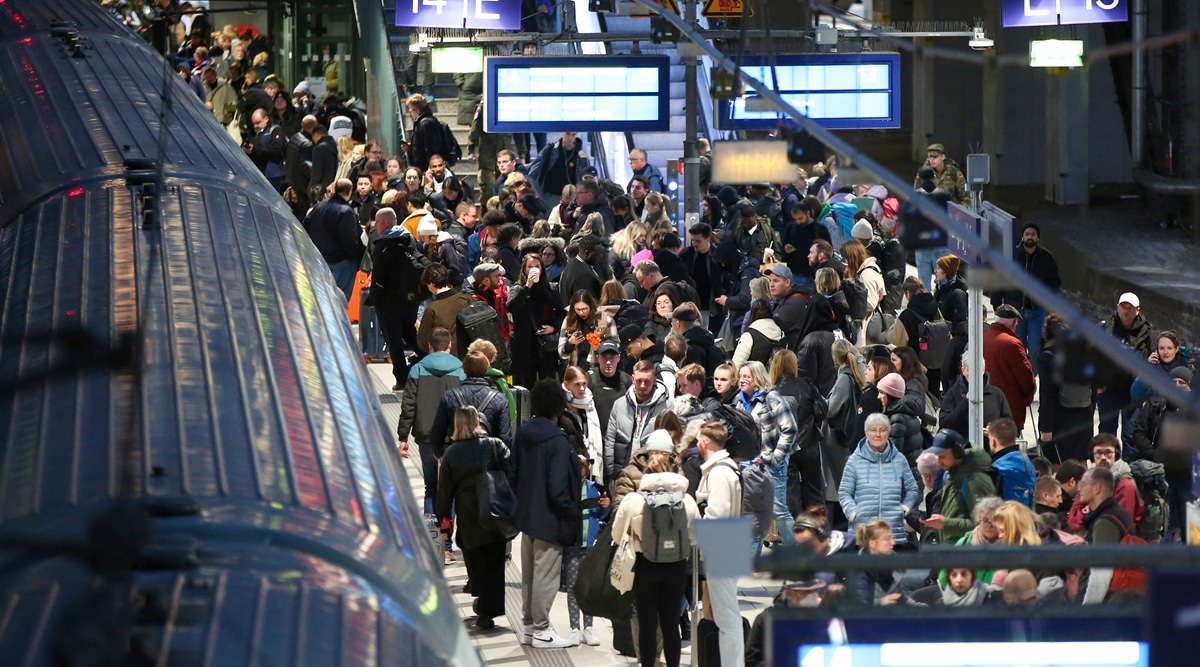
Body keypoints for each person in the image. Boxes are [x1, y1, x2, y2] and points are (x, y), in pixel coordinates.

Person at [610, 433, 699, 667]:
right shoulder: (686, 500)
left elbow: (616, 535)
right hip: (676, 567)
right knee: (671, 624)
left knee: (647, 624)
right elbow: (696, 536)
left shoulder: (634, 500)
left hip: (645, 565)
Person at [514, 380, 584, 648]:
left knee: (529, 575)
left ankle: (529, 626)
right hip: (550, 518)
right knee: (546, 575)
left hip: (527, 515)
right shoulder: (556, 440)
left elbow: (514, 471)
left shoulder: (524, 432)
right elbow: (558, 487)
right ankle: (543, 629)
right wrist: (571, 510)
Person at [435, 406, 514, 629]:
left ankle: (481, 597)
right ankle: (488, 608)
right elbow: (513, 472)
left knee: (475, 558)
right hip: (495, 511)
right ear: (478, 421)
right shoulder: (495, 445)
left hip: (468, 515)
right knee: (495, 562)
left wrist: (444, 520)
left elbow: (444, 492)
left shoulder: (451, 454)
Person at [397, 327, 465, 515]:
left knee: (431, 486)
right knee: (449, 486)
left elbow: (408, 404)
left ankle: (432, 536)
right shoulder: (460, 370)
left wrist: (403, 437)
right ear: (449, 345)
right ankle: (447, 541)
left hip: (425, 433)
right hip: (453, 435)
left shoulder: (417, 369)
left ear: (429, 346)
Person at [695, 422, 745, 667]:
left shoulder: (719, 473)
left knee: (727, 617)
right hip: (729, 543)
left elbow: (717, 514)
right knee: (727, 615)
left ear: (705, 441)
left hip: (722, 546)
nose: (696, 444)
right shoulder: (724, 469)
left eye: (697, 440)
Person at [735, 360, 799, 543]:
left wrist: (775, 457)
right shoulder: (739, 402)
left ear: (757, 378)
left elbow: (790, 429)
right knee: (754, 515)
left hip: (772, 465)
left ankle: (799, 557)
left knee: (778, 512)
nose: (742, 380)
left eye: (746, 376)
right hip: (750, 465)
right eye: (740, 376)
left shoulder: (772, 398)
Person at [1132, 366, 1196, 541]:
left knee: (1191, 525)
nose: (1176, 385)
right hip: (1160, 475)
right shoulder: (1154, 406)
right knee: (1161, 523)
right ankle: (1162, 561)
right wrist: (1153, 455)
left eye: (1181, 383)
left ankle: (1191, 563)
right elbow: (1139, 432)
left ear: (1190, 387)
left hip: (1189, 478)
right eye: (1173, 381)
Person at [838, 413, 921, 546]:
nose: (877, 435)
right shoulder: (854, 461)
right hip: (863, 532)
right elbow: (844, 492)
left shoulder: (899, 459)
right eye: (873, 430)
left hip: (893, 534)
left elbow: (912, 488)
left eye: (882, 430)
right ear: (866, 432)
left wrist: (904, 508)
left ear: (888, 433)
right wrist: (853, 513)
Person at [990, 222, 1061, 376]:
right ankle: (1018, 375)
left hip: (1037, 311)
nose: (1030, 237)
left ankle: (1031, 377)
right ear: (1022, 236)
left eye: (1033, 234)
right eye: (1027, 234)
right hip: (1016, 311)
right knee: (1017, 346)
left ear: (1038, 238)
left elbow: (1055, 282)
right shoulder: (1010, 256)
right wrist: (996, 304)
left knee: (1036, 347)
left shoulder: (1046, 258)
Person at [771, 349, 827, 516]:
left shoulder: (773, 391)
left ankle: (799, 534)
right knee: (815, 491)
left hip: (787, 447)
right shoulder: (807, 384)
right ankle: (820, 532)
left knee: (792, 494)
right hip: (809, 444)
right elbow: (822, 409)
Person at [563, 457, 610, 646]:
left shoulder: (594, 487)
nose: (581, 468)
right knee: (573, 588)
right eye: (578, 464)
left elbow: (601, 514)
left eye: (584, 465)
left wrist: (605, 507)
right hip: (573, 546)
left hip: (590, 546)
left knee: (589, 588)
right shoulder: (566, 487)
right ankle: (575, 628)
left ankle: (588, 627)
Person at [428, 352, 513, 455]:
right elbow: (505, 437)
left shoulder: (450, 396)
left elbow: (437, 433)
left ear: (464, 370)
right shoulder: (499, 399)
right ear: (486, 369)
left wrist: (440, 453)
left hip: (457, 458)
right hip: (487, 460)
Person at [1037, 314, 1096, 464]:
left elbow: (1047, 394)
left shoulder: (1047, 357)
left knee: (1057, 466)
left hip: (1059, 420)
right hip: (1083, 418)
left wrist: (1046, 427)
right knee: (1081, 463)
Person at [1097, 292, 1154, 442]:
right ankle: (1106, 464)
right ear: (1117, 307)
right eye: (1123, 307)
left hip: (1133, 391)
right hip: (1108, 389)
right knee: (1107, 434)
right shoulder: (1105, 328)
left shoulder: (1148, 333)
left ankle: (1131, 464)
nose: (1126, 311)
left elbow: (1153, 361)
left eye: (1130, 308)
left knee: (1131, 433)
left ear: (1138, 310)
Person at [922, 429, 997, 544]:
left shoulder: (976, 481)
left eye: (943, 456)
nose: (939, 462)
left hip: (968, 554)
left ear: (957, 452)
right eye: (937, 457)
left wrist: (946, 524)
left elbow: (986, 525)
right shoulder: (952, 475)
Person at [605, 360, 672, 481]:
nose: (642, 385)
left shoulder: (667, 407)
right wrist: (610, 475)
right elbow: (610, 440)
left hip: (652, 475)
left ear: (654, 380)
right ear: (632, 379)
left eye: (647, 382)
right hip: (622, 473)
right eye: (639, 381)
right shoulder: (620, 404)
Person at [508, 253, 566, 388]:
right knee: (527, 385)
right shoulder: (518, 289)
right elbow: (512, 307)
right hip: (524, 345)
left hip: (546, 345)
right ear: (524, 270)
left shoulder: (551, 289)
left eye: (537, 266)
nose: (533, 269)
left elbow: (561, 314)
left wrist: (554, 328)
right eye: (530, 266)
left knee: (548, 384)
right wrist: (527, 286)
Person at [302, 178, 363, 300]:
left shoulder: (319, 206)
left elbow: (305, 227)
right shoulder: (346, 212)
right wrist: (353, 257)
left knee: (321, 298)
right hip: (341, 261)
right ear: (349, 191)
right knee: (338, 300)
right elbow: (349, 239)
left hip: (319, 258)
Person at [984, 304, 1036, 430]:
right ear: (1013, 323)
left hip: (985, 405)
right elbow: (1025, 376)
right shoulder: (1012, 344)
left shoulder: (982, 338)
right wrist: (1028, 397)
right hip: (1008, 408)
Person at [938, 356, 1013, 445]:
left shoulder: (996, 394)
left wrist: (994, 430)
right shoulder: (953, 394)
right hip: (961, 450)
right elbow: (945, 424)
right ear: (963, 370)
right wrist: (965, 402)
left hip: (991, 450)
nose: (974, 375)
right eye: (970, 370)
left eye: (978, 369)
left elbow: (1009, 422)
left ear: (983, 369)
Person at [417, 264, 471, 357]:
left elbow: (424, 343)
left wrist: (419, 327)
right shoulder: (466, 299)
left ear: (432, 284)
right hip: (469, 358)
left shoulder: (432, 309)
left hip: (445, 360)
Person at [564, 365, 605, 486]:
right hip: (570, 468)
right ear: (566, 385)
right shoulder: (561, 407)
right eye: (577, 384)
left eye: (584, 384)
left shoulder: (589, 404)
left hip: (590, 467)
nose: (582, 388)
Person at [985, 418, 1037, 507]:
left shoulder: (995, 470)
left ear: (993, 442)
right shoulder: (1027, 463)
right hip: (1026, 516)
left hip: (1004, 518)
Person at [732, 301, 784, 368]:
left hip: (752, 376)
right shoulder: (781, 334)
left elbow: (737, 364)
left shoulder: (748, 336)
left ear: (752, 314)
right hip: (774, 376)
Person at [559, 234, 605, 302]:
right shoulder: (584, 275)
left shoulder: (572, 264)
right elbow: (587, 304)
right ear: (586, 253)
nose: (600, 257)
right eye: (597, 254)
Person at [405, 93, 444, 170]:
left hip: (424, 167)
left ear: (415, 109)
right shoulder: (427, 121)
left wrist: (430, 168)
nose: (409, 111)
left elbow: (430, 147)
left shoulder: (425, 124)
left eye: (410, 108)